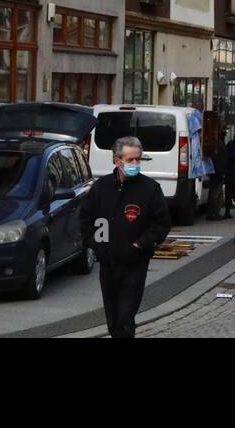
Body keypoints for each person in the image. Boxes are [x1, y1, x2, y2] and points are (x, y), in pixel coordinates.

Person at [80, 136, 171, 339]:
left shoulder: (150, 189)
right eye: (131, 160)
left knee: (125, 317)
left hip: (135, 263)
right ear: (116, 160)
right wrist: (96, 245)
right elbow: (86, 219)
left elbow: (161, 225)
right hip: (108, 263)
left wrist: (140, 244)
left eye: (138, 159)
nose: (135, 164)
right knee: (113, 320)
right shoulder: (101, 188)